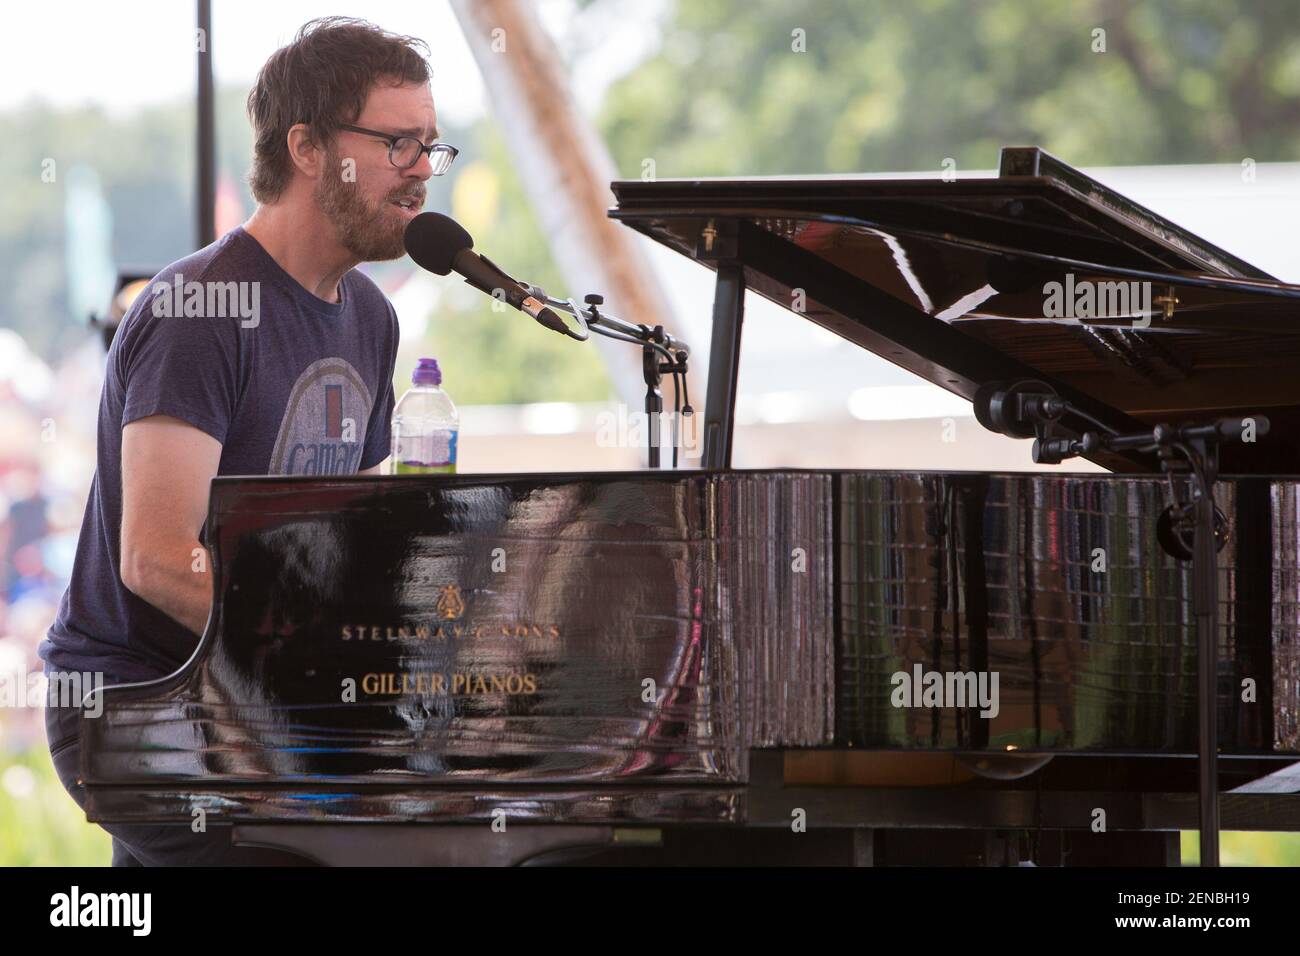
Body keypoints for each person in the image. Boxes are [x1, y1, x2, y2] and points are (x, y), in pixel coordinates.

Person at [38, 16, 455, 865]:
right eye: (398, 143)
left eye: (432, 148)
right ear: (307, 147)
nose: (422, 174)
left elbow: (348, 537)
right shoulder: (197, 310)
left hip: (256, 698)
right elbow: (155, 561)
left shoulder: (371, 317)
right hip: (140, 703)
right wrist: (322, 646)